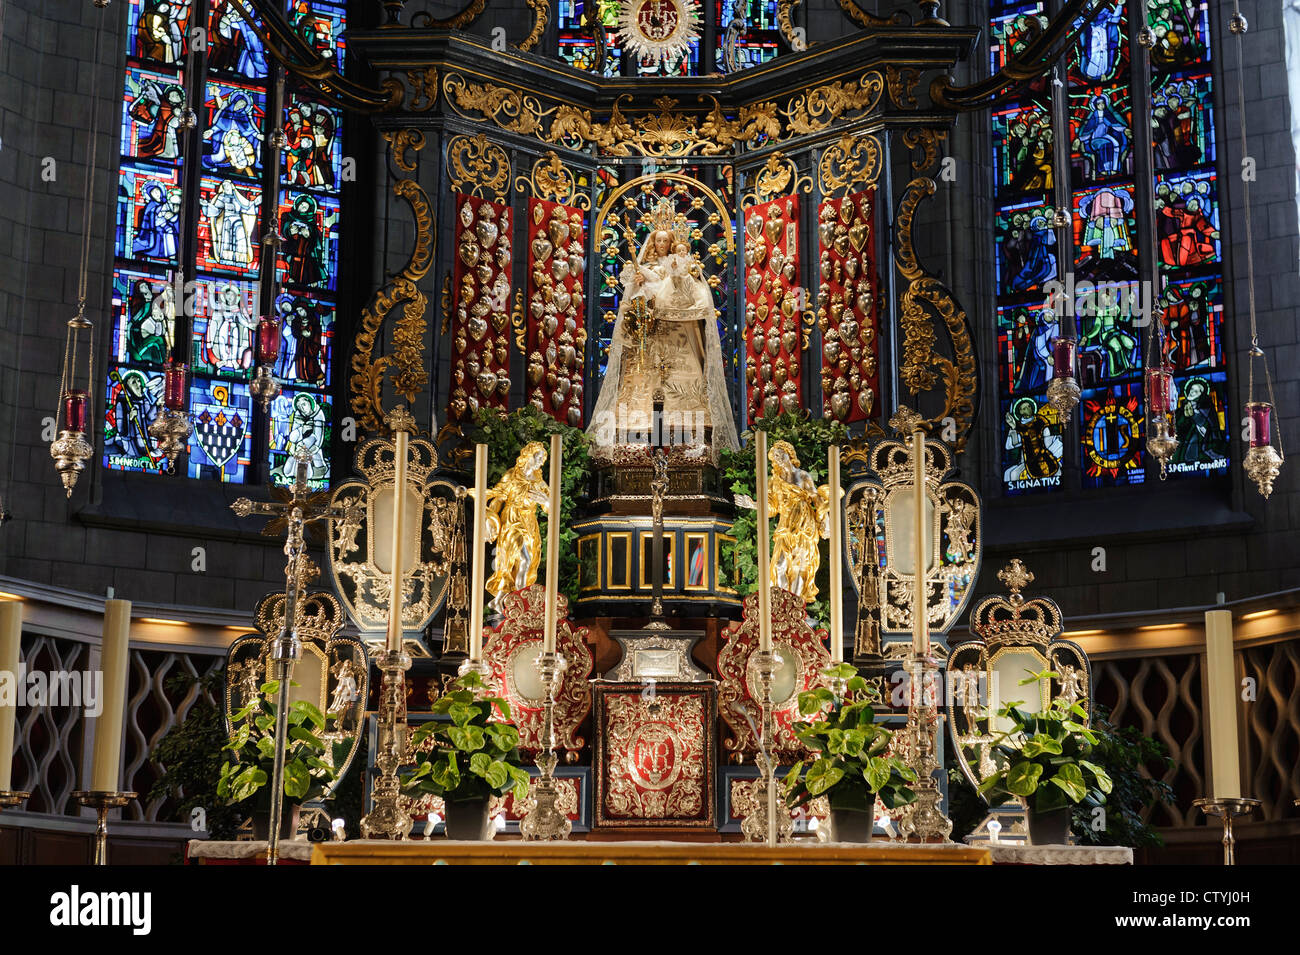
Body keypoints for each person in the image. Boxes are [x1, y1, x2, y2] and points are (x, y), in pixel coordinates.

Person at [587, 199, 738, 451]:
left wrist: (675, 281)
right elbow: (633, 302)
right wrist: (638, 289)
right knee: (641, 386)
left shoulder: (681, 269)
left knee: (682, 384)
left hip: (677, 339)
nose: (660, 244)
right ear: (652, 243)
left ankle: (689, 424)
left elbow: (697, 297)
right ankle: (634, 425)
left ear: (672, 244)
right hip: (648, 337)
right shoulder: (643, 268)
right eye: (657, 240)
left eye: (665, 241)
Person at [483, 442, 551, 609]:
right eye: (538, 456)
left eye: (543, 459)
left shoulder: (540, 482)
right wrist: (489, 520)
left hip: (529, 523)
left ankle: (500, 600)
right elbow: (497, 499)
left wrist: (547, 502)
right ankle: (522, 605)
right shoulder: (511, 476)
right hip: (512, 519)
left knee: (521, 564)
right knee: (523, 559)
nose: (541, 462)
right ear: (528, 455)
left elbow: (551, 508)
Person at [767, 440, 831, 601]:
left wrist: (826, 521)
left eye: (780, 454)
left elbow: (816, 499)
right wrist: (753, 504)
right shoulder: (773, 481)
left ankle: (795, 607)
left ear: (789, 454)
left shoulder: (803, 476)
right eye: (774, 456)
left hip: (804, 523)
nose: (778, 458)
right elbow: (771, 508)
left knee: (800, 565)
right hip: (785, 525)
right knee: (779, 565)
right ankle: (779, 606)